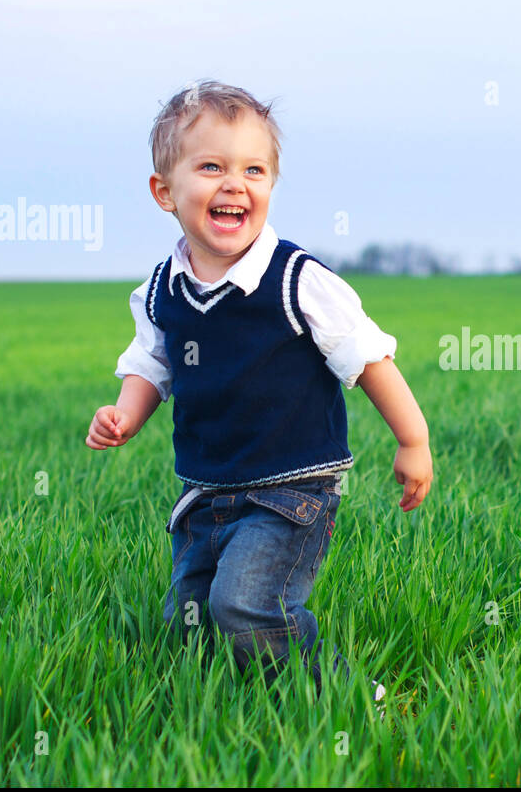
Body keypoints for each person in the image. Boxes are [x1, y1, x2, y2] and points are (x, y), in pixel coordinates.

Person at [85, 80, 432, 707]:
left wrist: (413, 439)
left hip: (291, 487)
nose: (234, 184)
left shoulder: (298, 280)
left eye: (254, 169)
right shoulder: (164, 287)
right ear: (165, 192)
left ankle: (344, 698)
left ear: (271, 184)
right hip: (206, 489)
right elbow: (151, 361)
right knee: (188, 617)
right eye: (211, 166)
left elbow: (369, 356)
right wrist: (125, 414)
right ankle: (212, 705)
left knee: (244, 604)